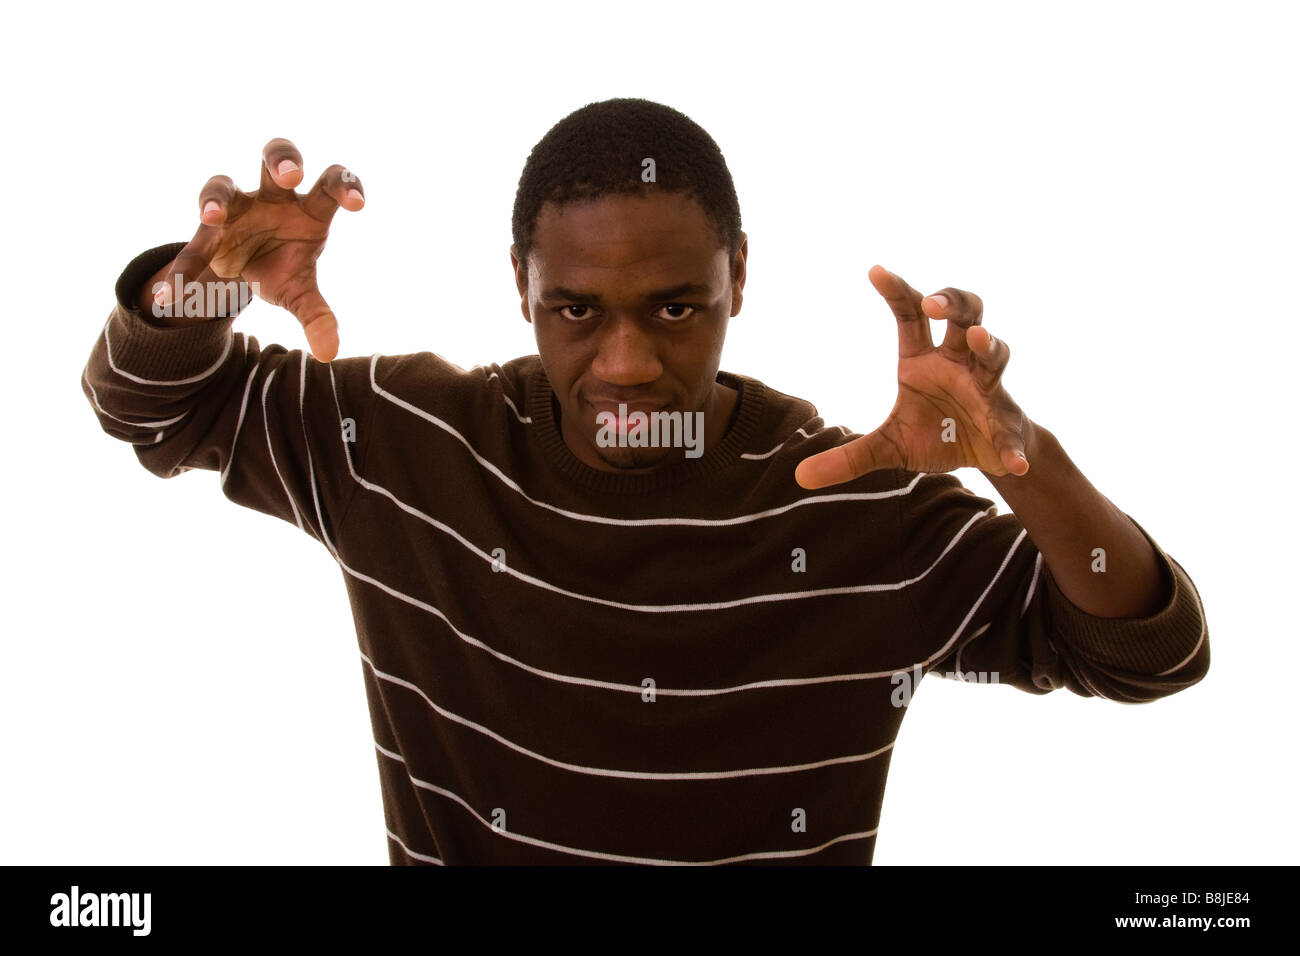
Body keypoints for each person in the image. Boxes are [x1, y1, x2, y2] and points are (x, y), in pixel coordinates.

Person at [80, 97, 1209, 865]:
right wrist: (206, 282)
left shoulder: (854, 502)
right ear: (520, 285)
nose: (626, 364)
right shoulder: (410, 441)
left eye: (675, 307)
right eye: (578, 310)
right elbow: (147, 403)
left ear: (738, 279)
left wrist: (1022, 458)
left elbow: (1149, 651)